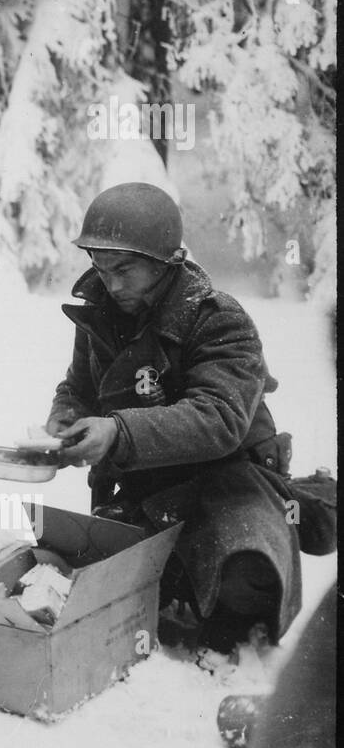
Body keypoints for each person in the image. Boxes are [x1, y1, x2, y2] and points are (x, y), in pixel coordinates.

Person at [45, 182, 303, 657]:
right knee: (75, 578)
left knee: (245, 577)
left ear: (166, 262)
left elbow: (219, 418)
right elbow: (78, 389)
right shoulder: (102, 312)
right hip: (146, 489)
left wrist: (118, 432)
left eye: (125, 269)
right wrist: (67, 418)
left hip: (228, 481)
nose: (111, 284)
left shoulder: (219, 319)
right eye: (100, 269)